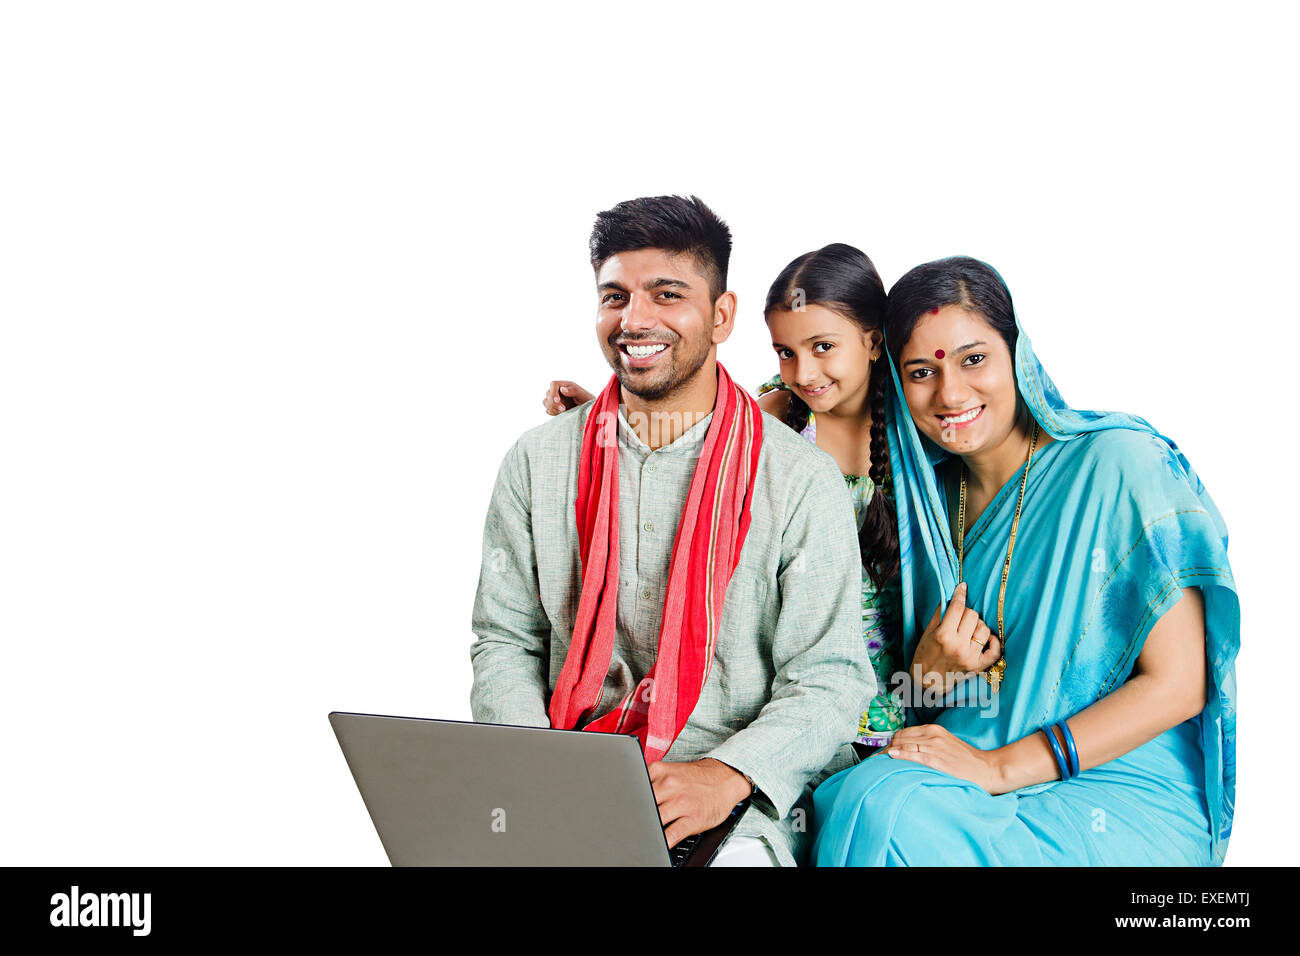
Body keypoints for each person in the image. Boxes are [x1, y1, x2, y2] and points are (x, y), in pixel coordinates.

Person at [471, 195, 875, 866]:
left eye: (666, 294)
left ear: (721, 316)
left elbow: (830, 678)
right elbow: (505, 639)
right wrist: (535, 767)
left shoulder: (800, 479)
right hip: (573, 776)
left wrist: (727, 776)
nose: (635, 320)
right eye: (614, 296)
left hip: (735, 805)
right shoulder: (538, 462)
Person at [811, 256, 1240, 866]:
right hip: (972, 771)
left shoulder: (1118, 464)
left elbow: (1182, 683)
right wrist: (928, 676)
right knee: (846, 798)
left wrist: (1001, 766)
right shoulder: (923, 504)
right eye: (920, 372)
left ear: (1019, 354)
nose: (951, 392)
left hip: (1115, 784)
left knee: (889, 812)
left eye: (973, 358)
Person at [546, 243, 906, 754]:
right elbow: (704, 459)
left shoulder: (912, 437)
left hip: (889, 708)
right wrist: (611, 424)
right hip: (784, 708)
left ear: (872, 342)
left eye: (823, 347)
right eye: (786, 352)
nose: (803, 373)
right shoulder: (782, 413)